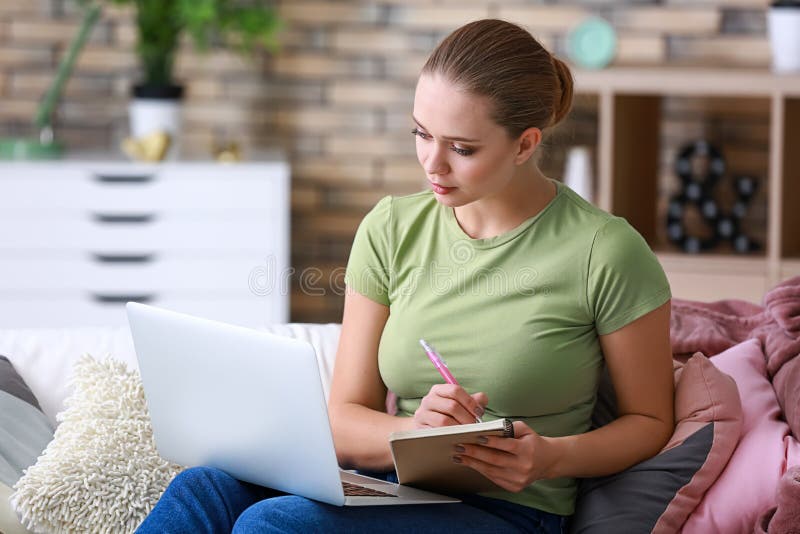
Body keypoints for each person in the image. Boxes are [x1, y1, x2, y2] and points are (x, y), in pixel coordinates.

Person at [136, 19, 674, 534]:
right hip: (389, 486)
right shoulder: (391, 228)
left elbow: (651, 421)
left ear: (526, 144)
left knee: (273, 525)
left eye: (461, 149)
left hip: (509, 513)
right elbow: (344, 418)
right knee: (202, 487)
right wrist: (413, 432)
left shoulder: (605, 251)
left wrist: (552, 456)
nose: (431, 164)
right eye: (421, 133)